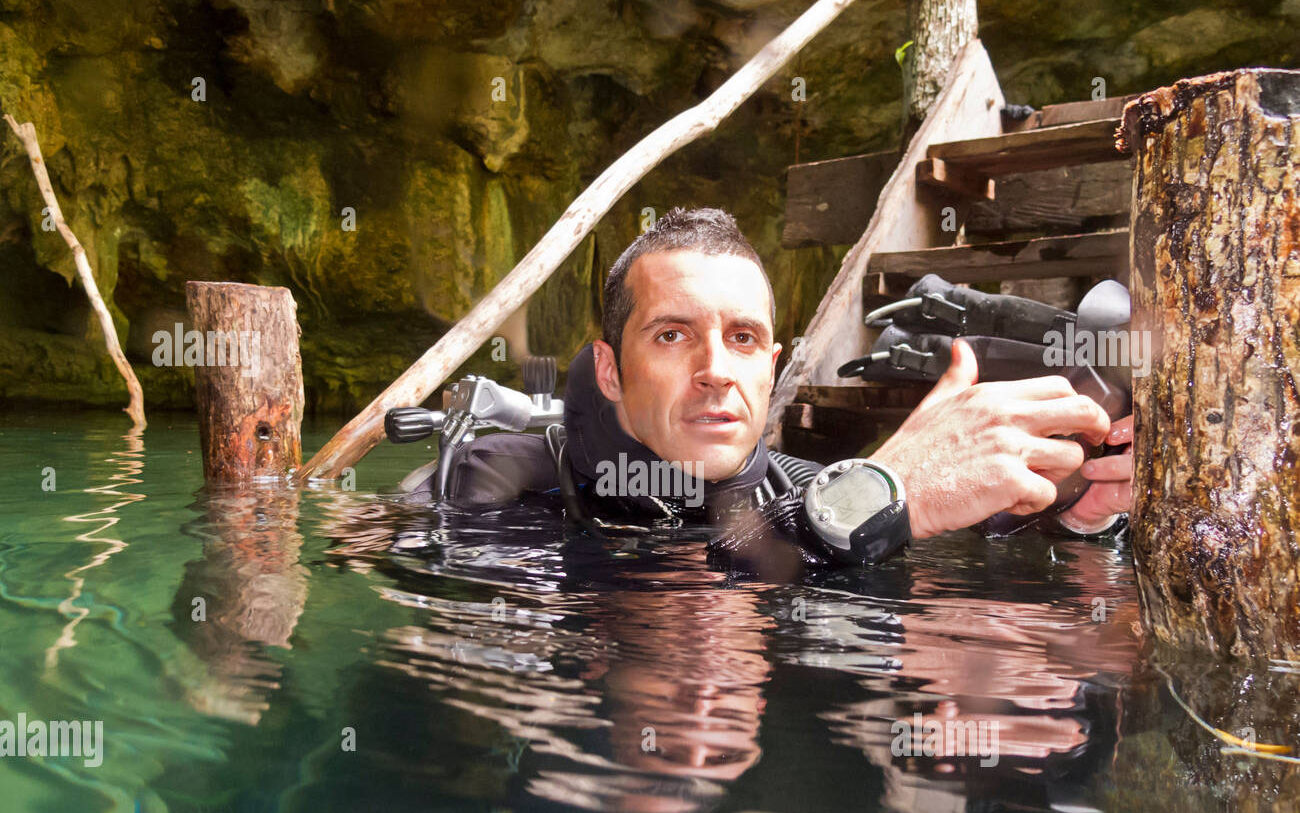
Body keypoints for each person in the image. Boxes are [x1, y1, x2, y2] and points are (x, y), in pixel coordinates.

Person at [401, 207, 1133, 561]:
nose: (716, 368)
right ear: (608, 371)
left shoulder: (801, 483)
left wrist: (1083, 520)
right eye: (672, 334)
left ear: (773, 367)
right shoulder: (497, 482)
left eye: (742, 338)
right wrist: (877, 493)